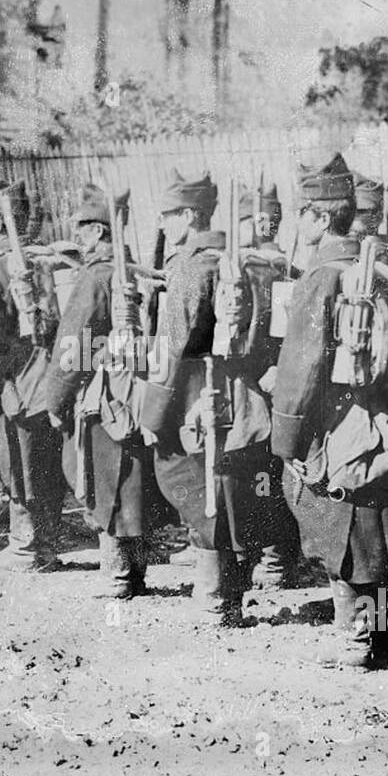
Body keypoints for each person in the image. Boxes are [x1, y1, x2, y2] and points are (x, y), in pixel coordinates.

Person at [271, 156, 388, 667]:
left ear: (320, 218)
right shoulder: (377, 269)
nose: (297, 222)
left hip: (333, 427)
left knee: (340, 526)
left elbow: (300, 366)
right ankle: (383, 637)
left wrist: (288, 440)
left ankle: (357, 642)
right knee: (374, 528)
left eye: (301, 212)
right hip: (380, 425)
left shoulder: (320, 277)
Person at [139, 169, 299, 623]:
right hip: (250, 403)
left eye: (169, 215)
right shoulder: (257, 264)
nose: (163, 224)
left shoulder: (194, 267)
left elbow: (173, 348)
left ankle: (215, 595)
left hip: (200, 400)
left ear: (190, 215)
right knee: (232, 491)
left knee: (196, 484)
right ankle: (232, 587)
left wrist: (153, 415)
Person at [43, 183, 167, 596]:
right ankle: (135, 573)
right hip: (144, 393)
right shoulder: (139, 272)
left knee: (107, 481)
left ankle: (118, 574)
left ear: (98, 231)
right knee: (134, 482)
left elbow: (74, 344)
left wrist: (57, 399)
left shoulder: (97, 277)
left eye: (82, 227)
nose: (77, 235)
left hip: (106, 397)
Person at [0, 178, 69, 572]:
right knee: (48, 460)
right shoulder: (56, 261)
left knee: (20, 461)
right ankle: (48, 545)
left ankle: (26, 548)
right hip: (59, 378)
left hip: (20, 383)